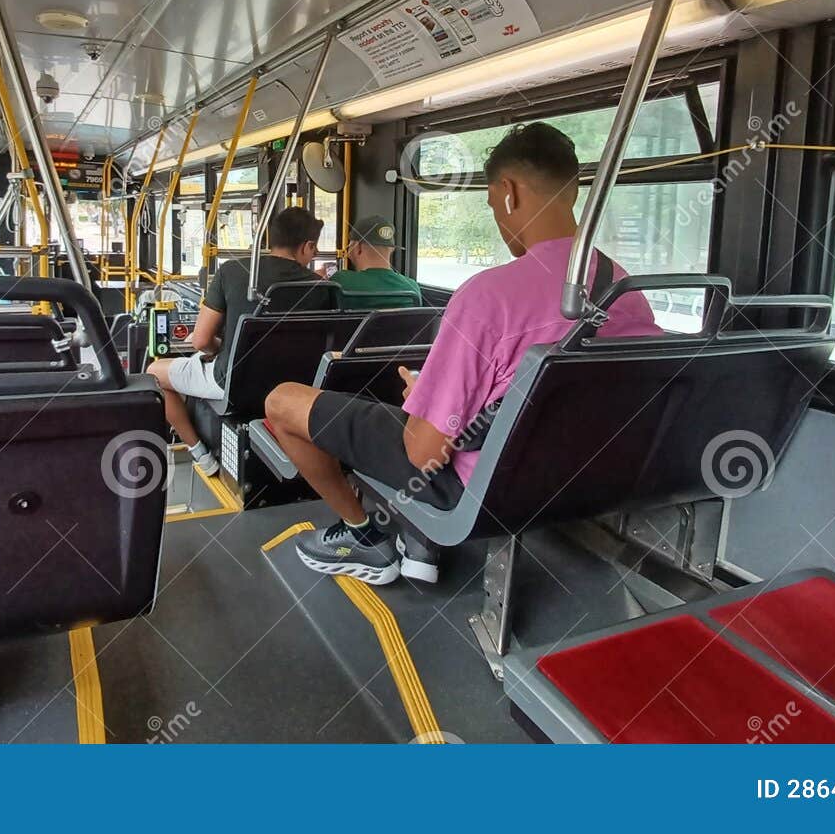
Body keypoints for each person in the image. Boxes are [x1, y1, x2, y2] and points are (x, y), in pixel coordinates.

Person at [263, 124, 660, 584]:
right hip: (592, 475)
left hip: (487, 488)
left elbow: (424, 452)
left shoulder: (489, 296)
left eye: (493, 205)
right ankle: (412, 533)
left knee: (283, 401)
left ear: (508, 193)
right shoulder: (627, 288)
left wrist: (423, 398)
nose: (498, 219)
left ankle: (366, 537)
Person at [149, 206, 329, 476]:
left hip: (234, 383)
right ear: (308, 245)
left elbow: (200, 341)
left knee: (154, 373)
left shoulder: (232, 271)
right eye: (314, 251)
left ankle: (200, 454)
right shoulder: (322, 286)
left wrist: (222, 350)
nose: (313, 256)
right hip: (298, 386)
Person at [331, 215, 422, 310]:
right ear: (392, 249)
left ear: (358, 248)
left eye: (349, 246)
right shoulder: (412, 287)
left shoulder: (339, 281)